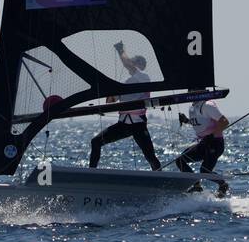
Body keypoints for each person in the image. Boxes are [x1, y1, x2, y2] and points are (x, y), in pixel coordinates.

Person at [89, 42, 161, 170]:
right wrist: (110, 90)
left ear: (140, 66)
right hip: (123, 125)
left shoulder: (144, 77)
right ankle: (91, 172)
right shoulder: (125, 84)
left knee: (150, 156)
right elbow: (110, 101)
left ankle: (161, 178)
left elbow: (128, 64)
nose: (129, 67)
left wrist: (120, 50)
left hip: (138, 125)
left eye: (133, 63)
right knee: (96, 141)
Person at [174, 92, 227, 188]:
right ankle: (197, 185)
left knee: (205, 171)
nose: (188, 94)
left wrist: (213, 135)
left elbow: (224, 122)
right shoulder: (193, 108)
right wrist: (186, 120)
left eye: (191, 91)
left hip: (215, 144)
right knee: (180, 161)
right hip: (204, 144)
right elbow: (201, 123)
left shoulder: (207, 105)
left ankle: (223, 184)